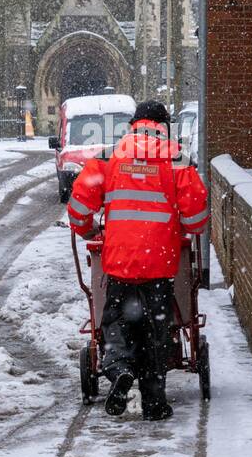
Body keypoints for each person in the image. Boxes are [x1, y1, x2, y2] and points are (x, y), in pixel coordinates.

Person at [68, 100, 208, 420]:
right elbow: (198, 217)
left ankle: (119, 370)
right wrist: (180, 224)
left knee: (116, 325)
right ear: (164, 126)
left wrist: (87, 227)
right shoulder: (177, 158)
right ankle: (155, 404)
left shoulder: (109, 155)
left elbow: (78, 206)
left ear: (134, 124)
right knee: (156, 334)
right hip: (159, 265)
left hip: (119, 263)